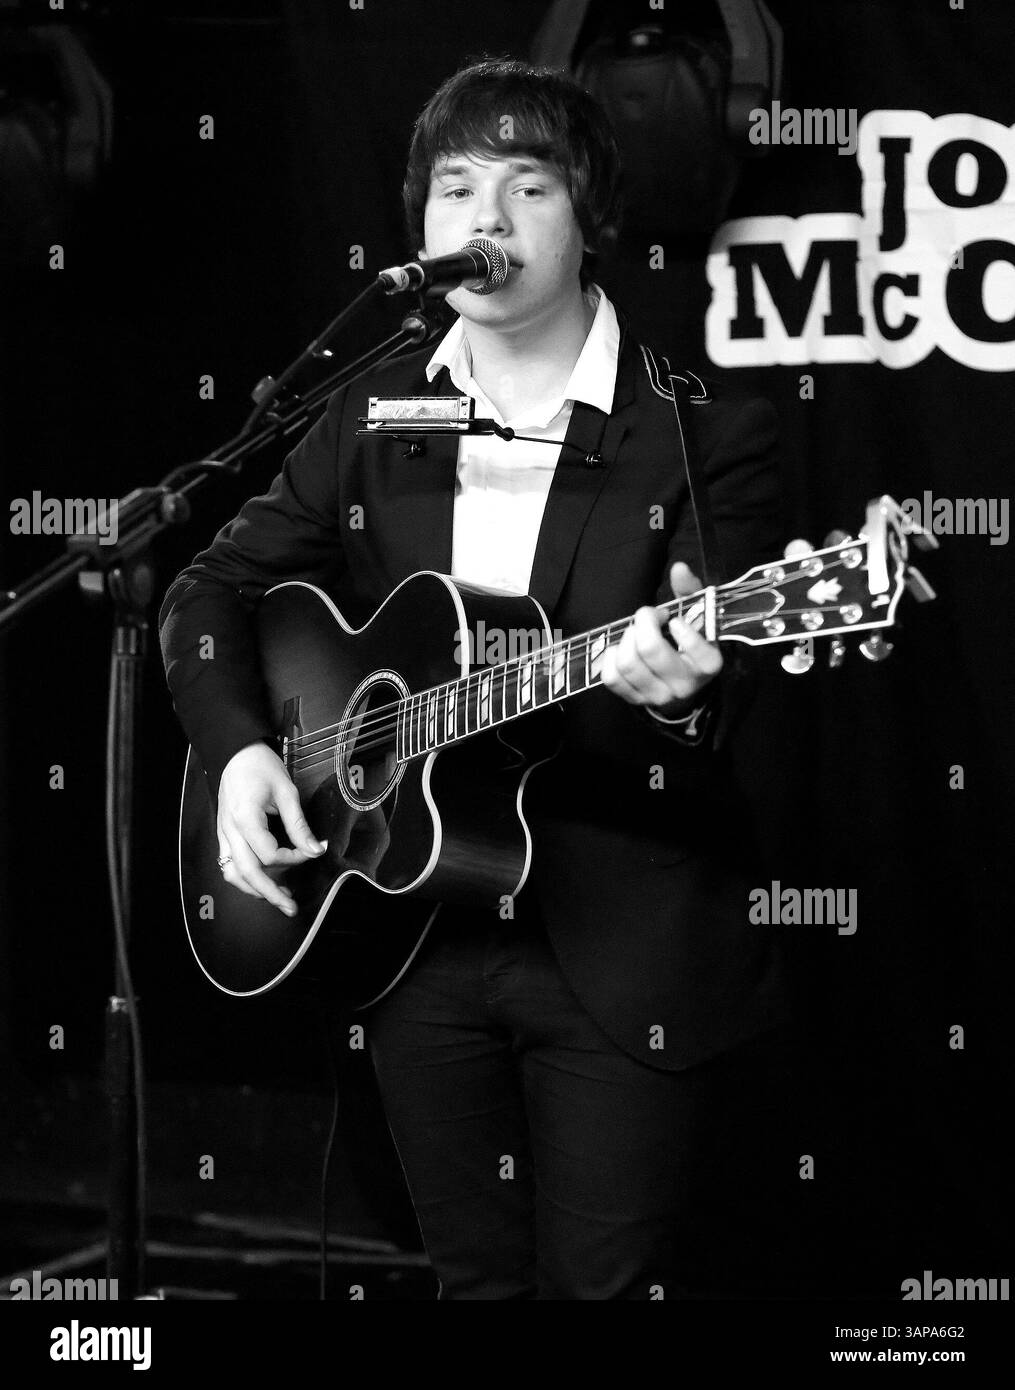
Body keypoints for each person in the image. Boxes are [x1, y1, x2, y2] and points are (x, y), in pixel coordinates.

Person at [159, 57, 791, 1300]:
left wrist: (684, 689)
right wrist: (239, 750)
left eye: (526, 187)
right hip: (409, 936)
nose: (485, 222)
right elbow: (203, 594)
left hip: (621, 948)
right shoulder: (367, 412)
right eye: (456, 189)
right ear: (422, 227)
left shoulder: (700, 428)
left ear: (590, 217)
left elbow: (755, 683)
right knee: (469, 1287)